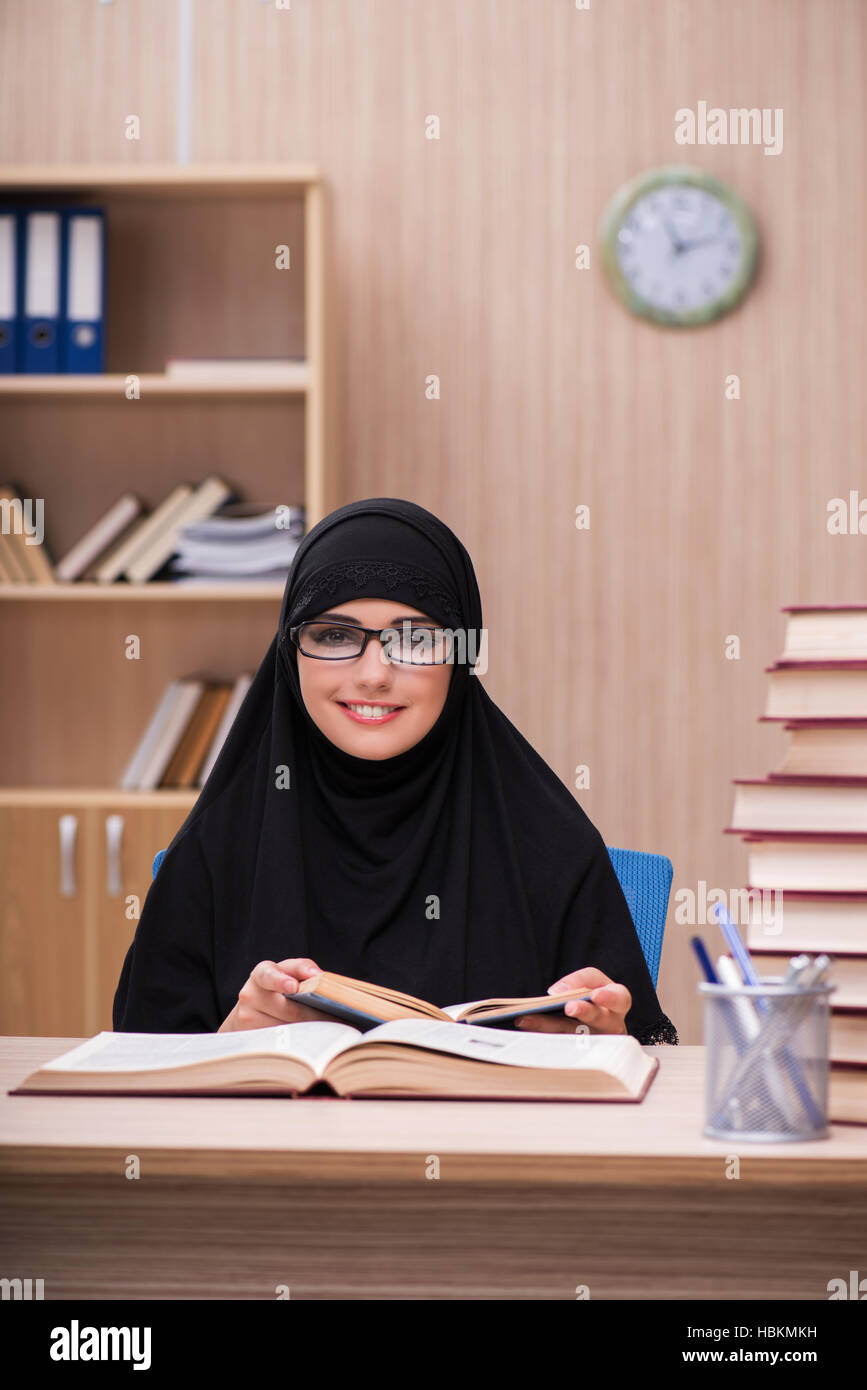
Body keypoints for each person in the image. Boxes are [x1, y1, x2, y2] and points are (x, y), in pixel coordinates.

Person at [113, 497, 678, 1044]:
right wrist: (231, 1038)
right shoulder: (215, 853)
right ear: (291, 652)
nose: (374, 674)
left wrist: (604, 1039)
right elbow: (140, 1076)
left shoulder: (555, 848)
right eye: (334, 635)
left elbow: (633, 1070)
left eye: (414, 638)